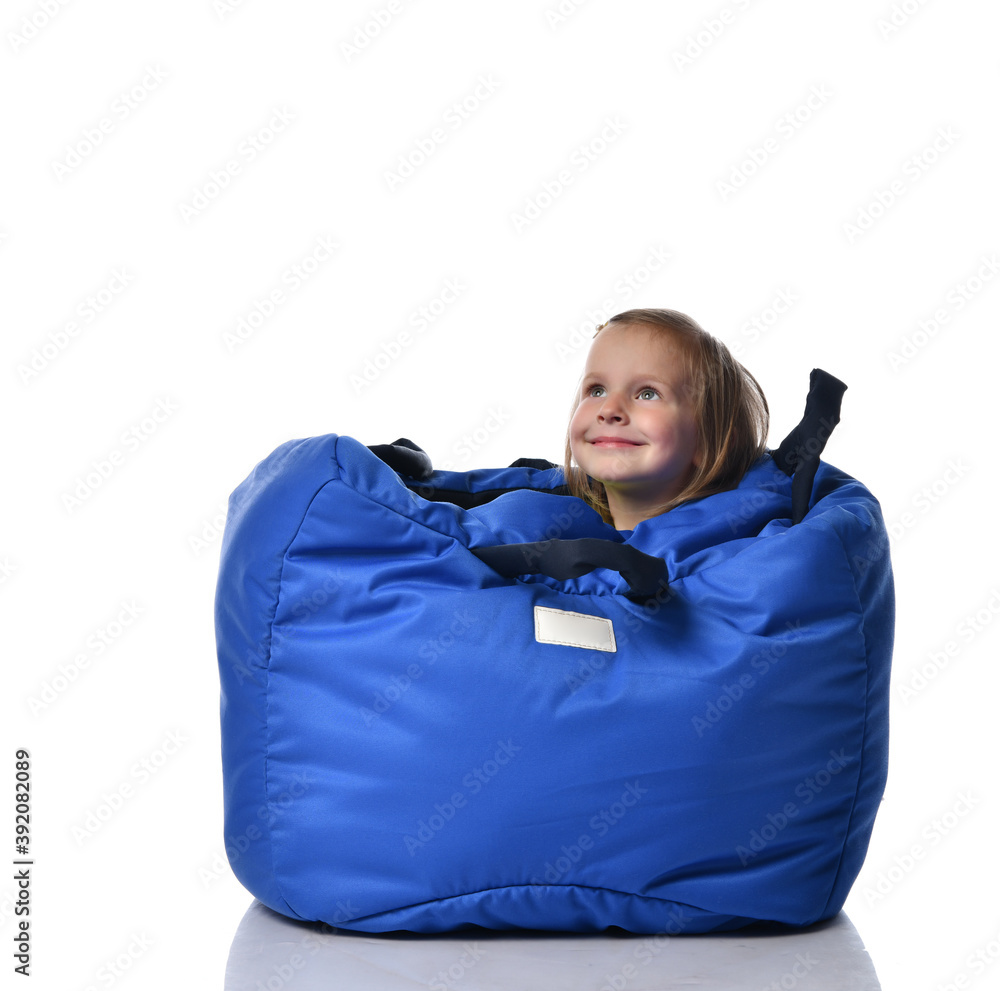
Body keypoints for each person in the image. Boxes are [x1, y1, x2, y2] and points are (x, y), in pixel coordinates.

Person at [564, 308, 769, 532]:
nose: (608, 409)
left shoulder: (736, 551)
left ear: (711, 443)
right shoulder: (549, 530)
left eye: (648, 393)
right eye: (597, 391)